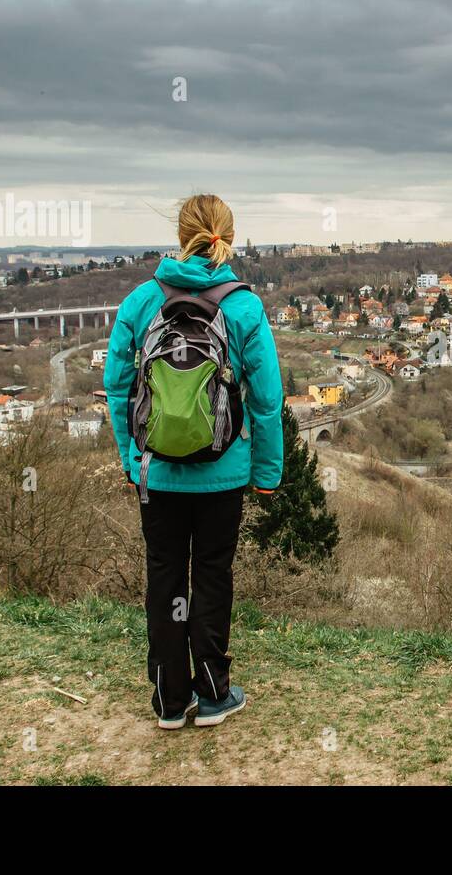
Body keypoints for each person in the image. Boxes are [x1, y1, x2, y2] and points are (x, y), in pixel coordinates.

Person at [105, 194, 283, 729]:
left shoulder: (141, 301)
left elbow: (117, 390)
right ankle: (212, 693)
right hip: (222, 473)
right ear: (229, 236)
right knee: (211, 576)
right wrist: (267, 474)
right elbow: (266, 401)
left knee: (164, 578)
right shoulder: (244, 306)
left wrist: (131, 458)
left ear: (180, 234)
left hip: (156, 475)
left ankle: (168, 699)